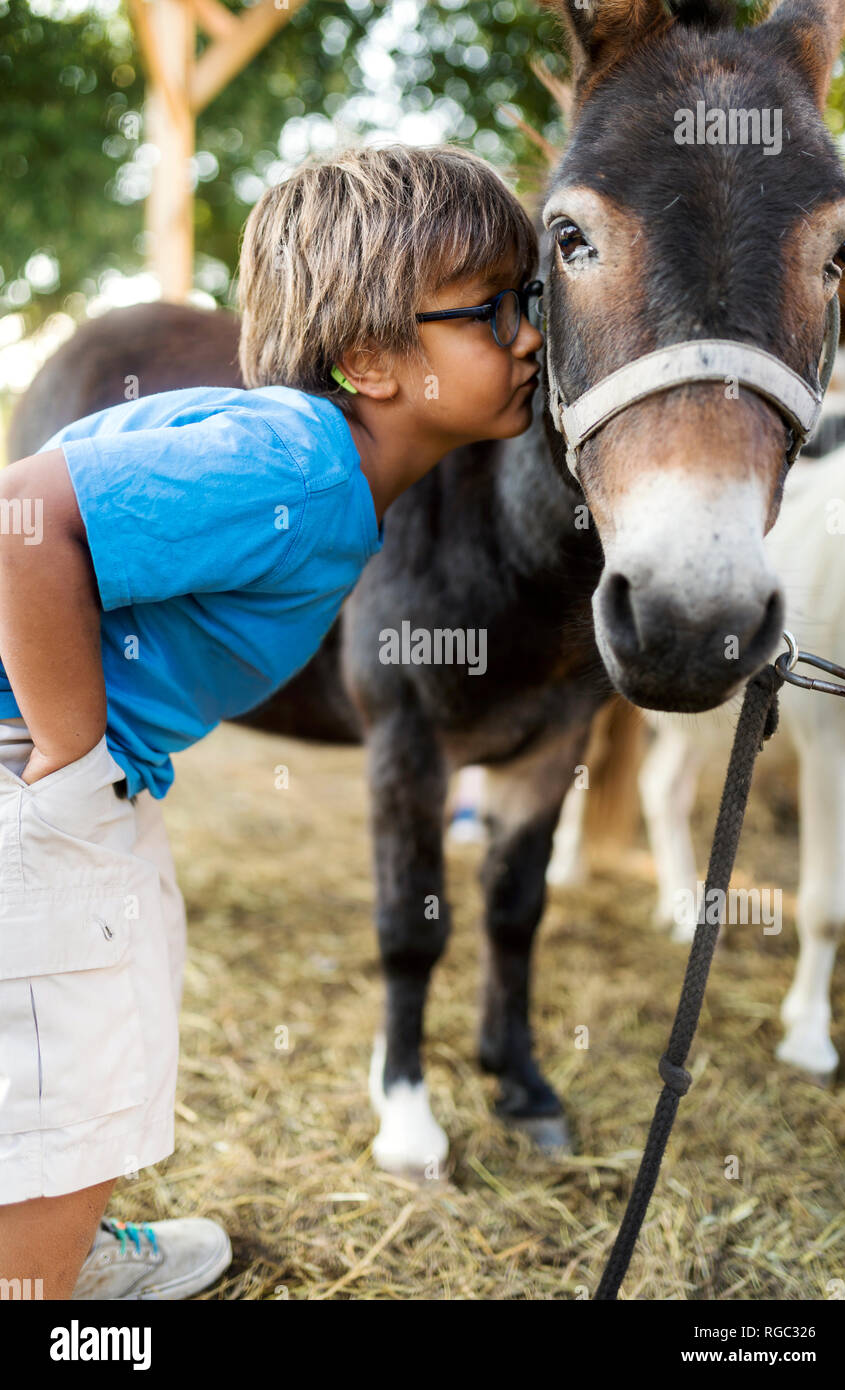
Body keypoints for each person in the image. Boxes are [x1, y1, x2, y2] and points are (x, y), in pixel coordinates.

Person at [0, 143, 543, 1299]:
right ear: (368, 358)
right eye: (493, 310)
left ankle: (48, 1245)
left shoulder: (297, 459)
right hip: (30, 770)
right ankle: (37, 1283)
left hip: (65, 766)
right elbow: (20, 521)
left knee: (90, 1023)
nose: (530, 336)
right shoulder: (292, 457)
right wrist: (69, 755)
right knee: (72, 1051)